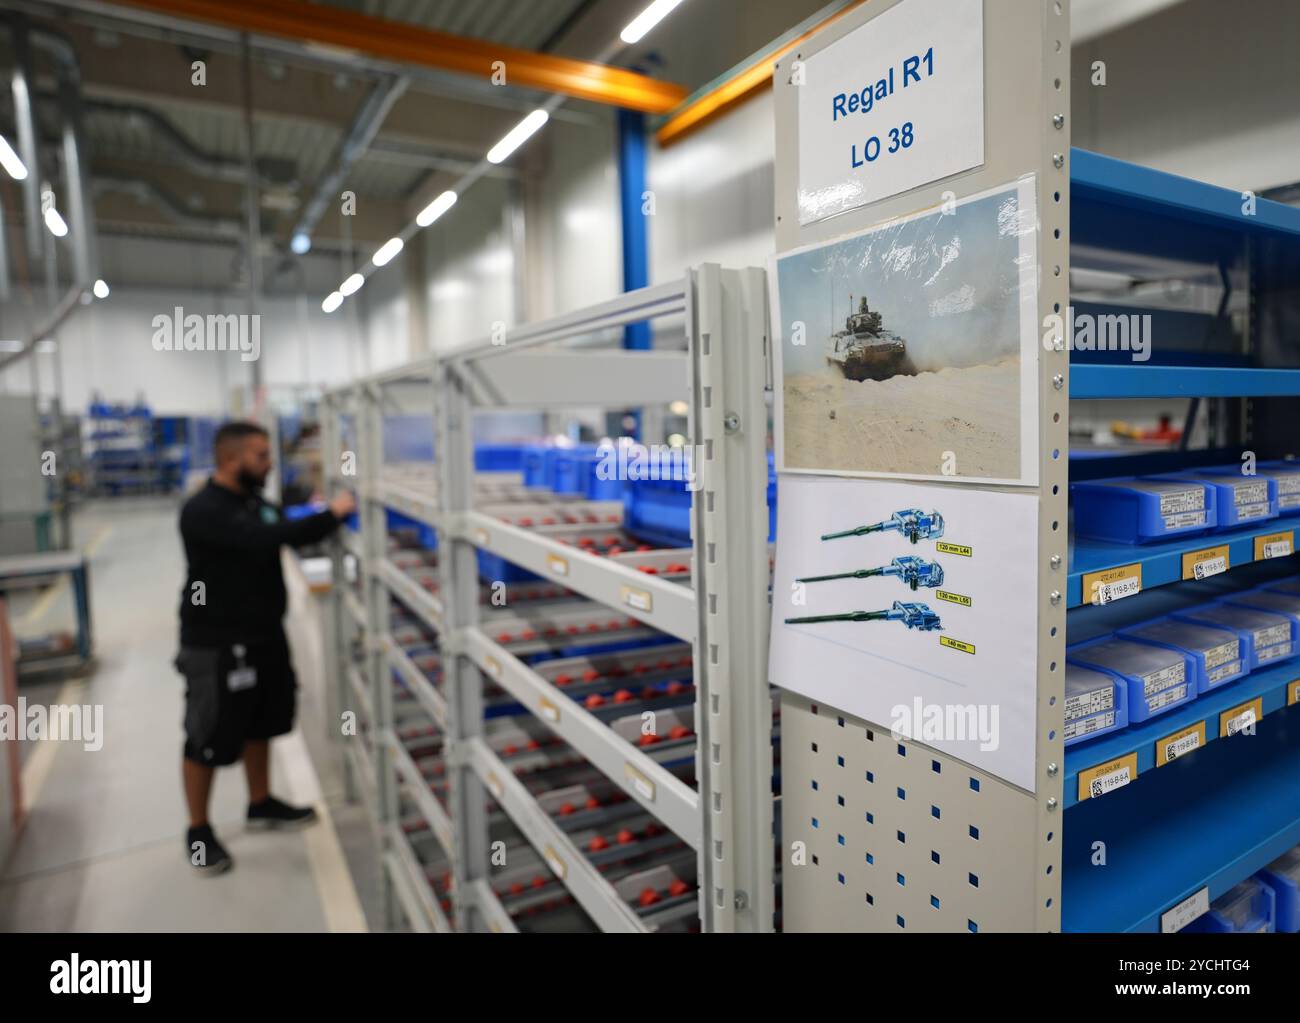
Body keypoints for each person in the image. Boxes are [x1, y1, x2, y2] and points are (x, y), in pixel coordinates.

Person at [174, 420, 355, 875]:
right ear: (231, 459)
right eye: (259, 455)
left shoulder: (253, 502)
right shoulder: (204, 510)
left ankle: (261, 803)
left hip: (262, 634)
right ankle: (198, 830)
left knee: (262, 721)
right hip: (216, 641)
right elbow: (265, 538)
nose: (269, 462)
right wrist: (332, 513)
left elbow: (280, 525)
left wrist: (319, 513)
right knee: (208, 734)